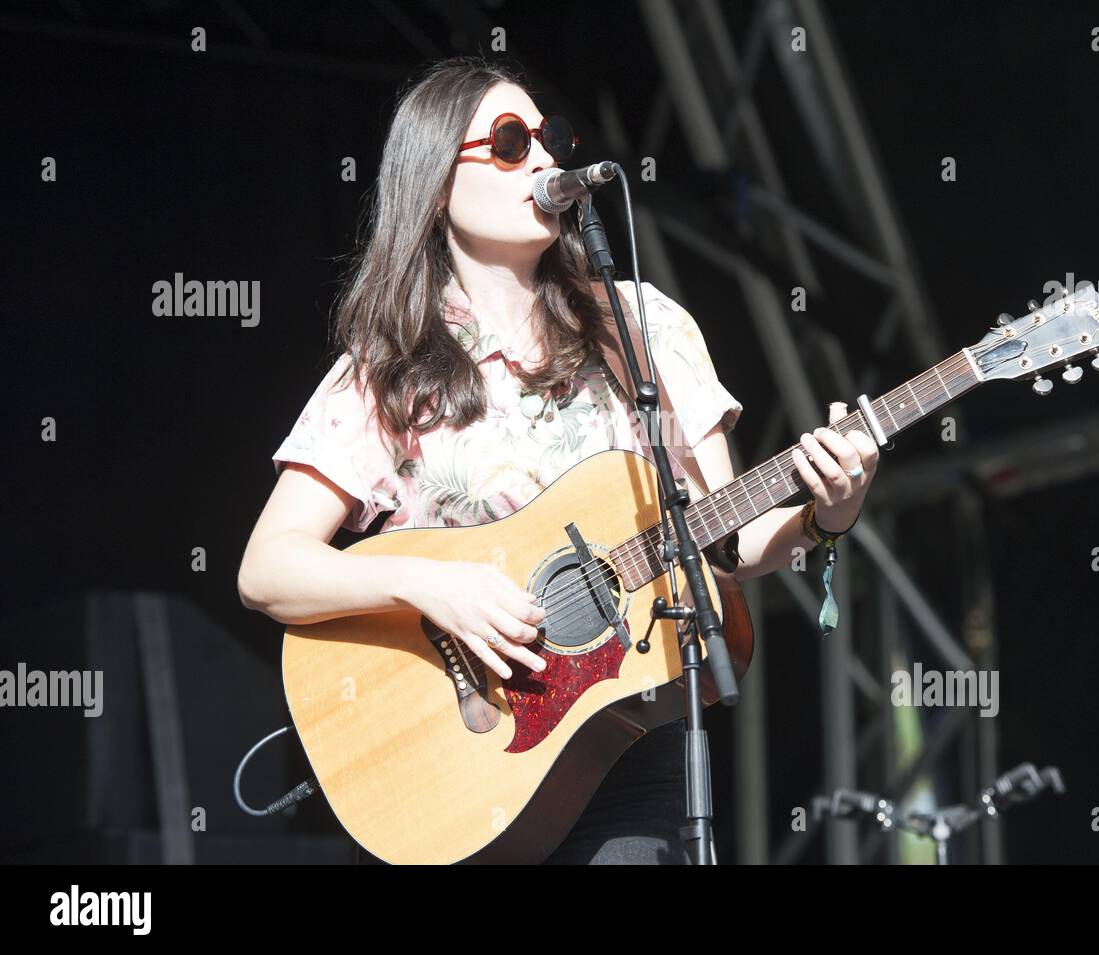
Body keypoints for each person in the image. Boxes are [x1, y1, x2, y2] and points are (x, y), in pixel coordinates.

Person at [237, 55, 879, 864]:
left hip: (627, 744)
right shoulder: (387, 370)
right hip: (458, 768)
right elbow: (267, 568)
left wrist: (829, 512)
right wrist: (430, 583)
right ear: (437, 184)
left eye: (549, 137)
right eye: (510, 142)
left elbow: (727, 540)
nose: (544, 157)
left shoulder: (643, 327)